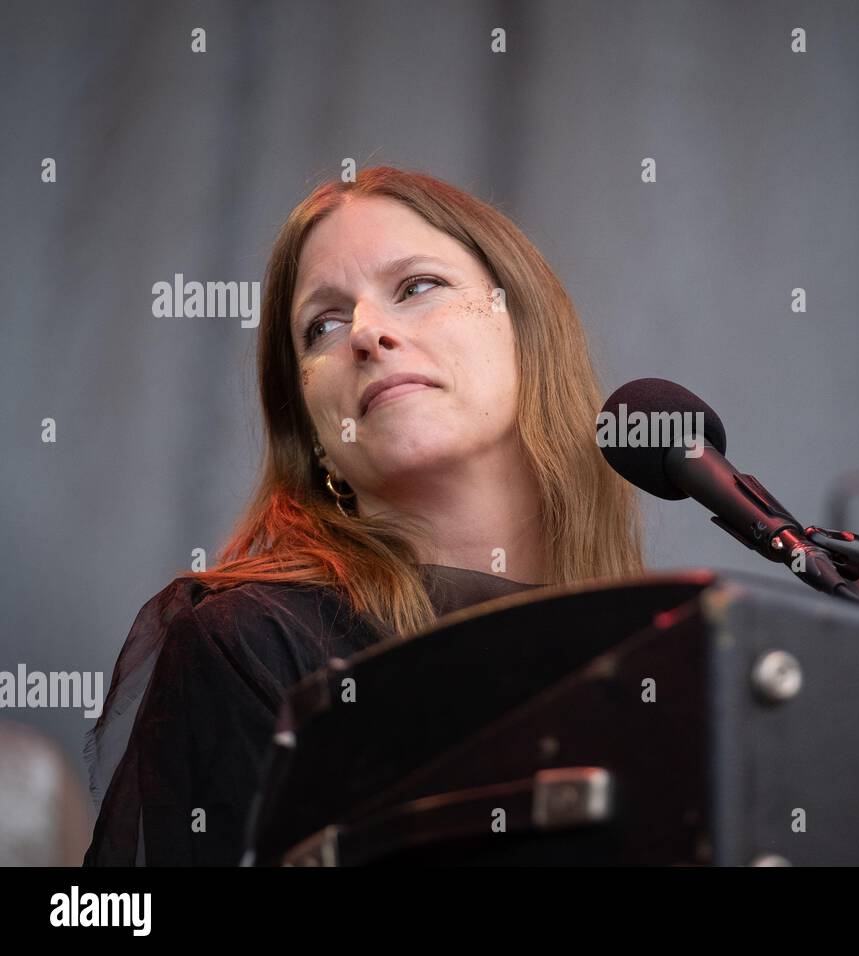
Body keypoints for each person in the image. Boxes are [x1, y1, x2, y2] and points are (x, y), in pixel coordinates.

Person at [82, 167, 644, 865]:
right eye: (323, 324)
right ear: (316, 436)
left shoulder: (655, 649)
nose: (367, 334)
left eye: (416, 287)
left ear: (528, 327)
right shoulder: (250, 644)